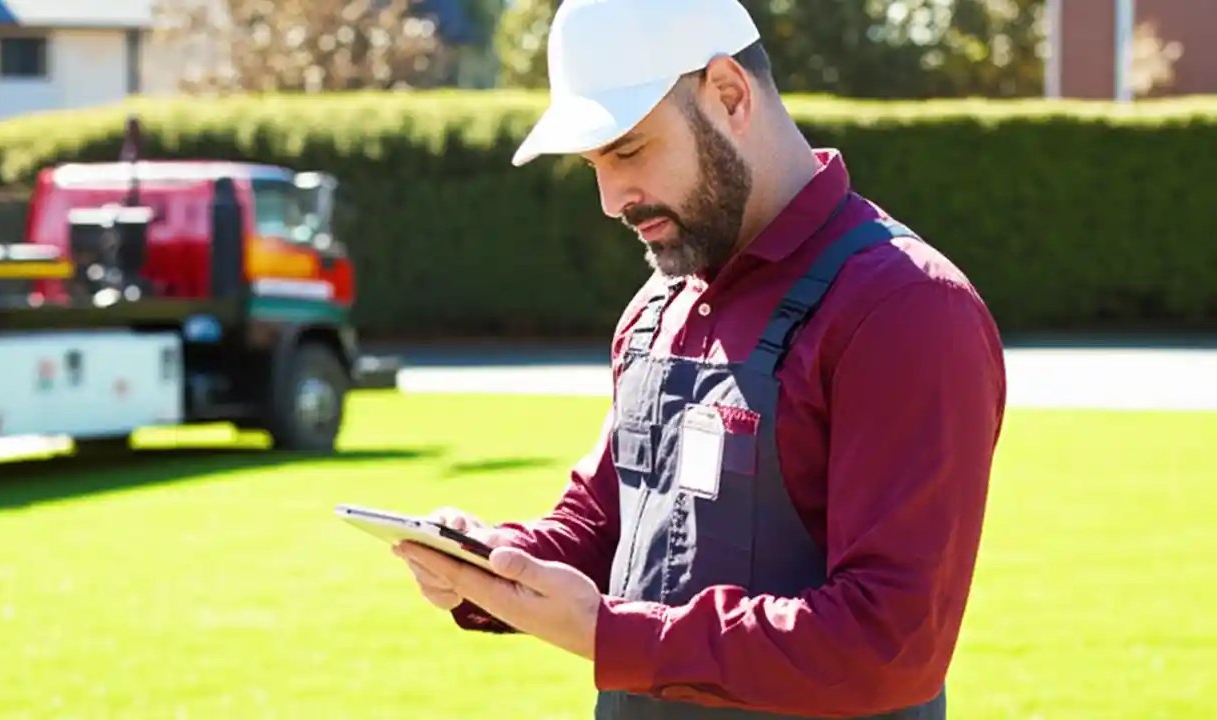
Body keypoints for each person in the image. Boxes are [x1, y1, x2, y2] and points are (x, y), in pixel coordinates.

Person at [394, 0, 1007, 717]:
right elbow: (604, 525)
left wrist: (611, 634)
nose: (611, 199)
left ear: (729, 93)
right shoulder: (659, 305)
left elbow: (890, 645)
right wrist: (489, 562)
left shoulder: (904, 307)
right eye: (594, 164)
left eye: (628, 151)